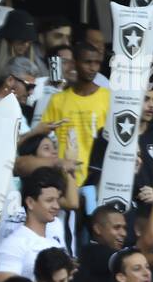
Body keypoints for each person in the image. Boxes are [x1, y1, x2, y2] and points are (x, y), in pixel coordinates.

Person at [40, 42, 111, 187]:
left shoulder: (109, 97)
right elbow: (45, 137)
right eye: (88, 62)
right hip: (64, 178)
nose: (93, 68)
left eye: (97, 63)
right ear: (74, 63)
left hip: (96, 178)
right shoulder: (57, 100)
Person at [0, 168, 66, 282]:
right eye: (49, 200)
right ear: (30, 202)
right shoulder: (13, 244)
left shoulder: (55, 244)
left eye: (57, 200)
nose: (56, 206)